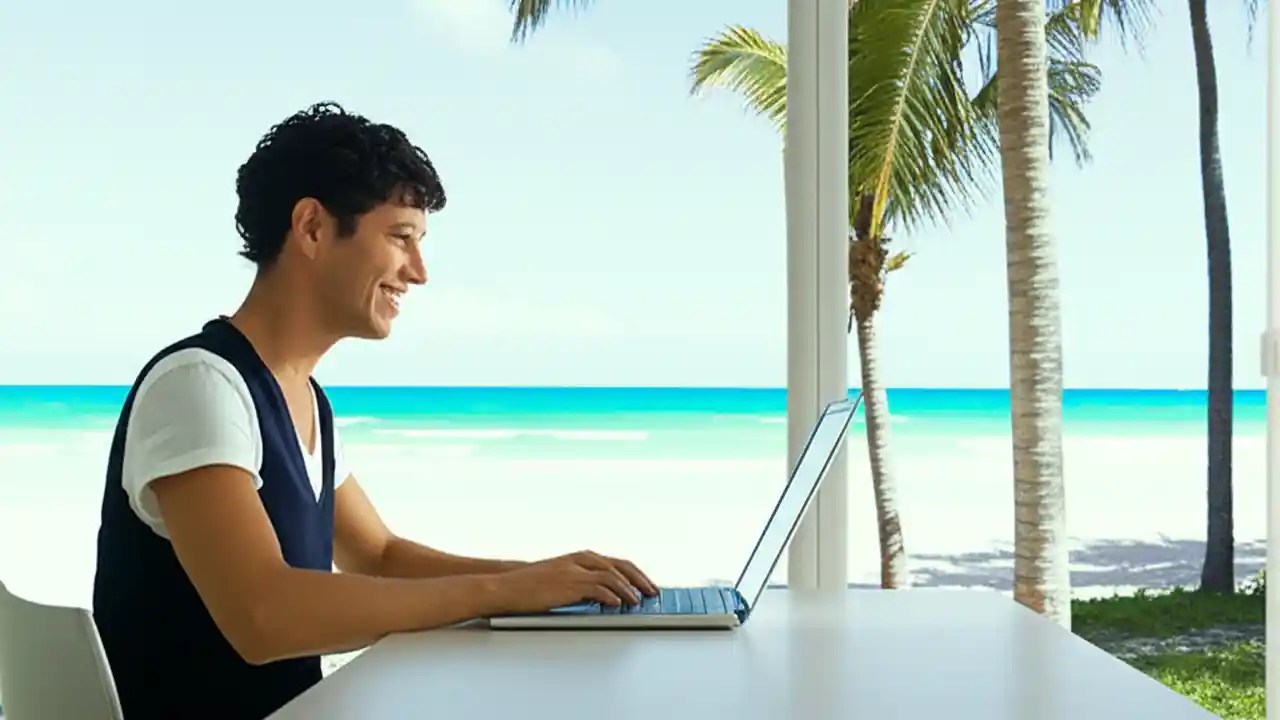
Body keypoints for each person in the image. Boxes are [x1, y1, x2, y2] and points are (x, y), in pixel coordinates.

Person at [91, 102, 658, 720]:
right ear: (311, 228)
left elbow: (379, 556)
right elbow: (263, 615)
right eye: (400, 238)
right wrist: (504, 591)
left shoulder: (303, 398)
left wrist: (548, 587)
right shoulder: (200, 384)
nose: (418, 272)